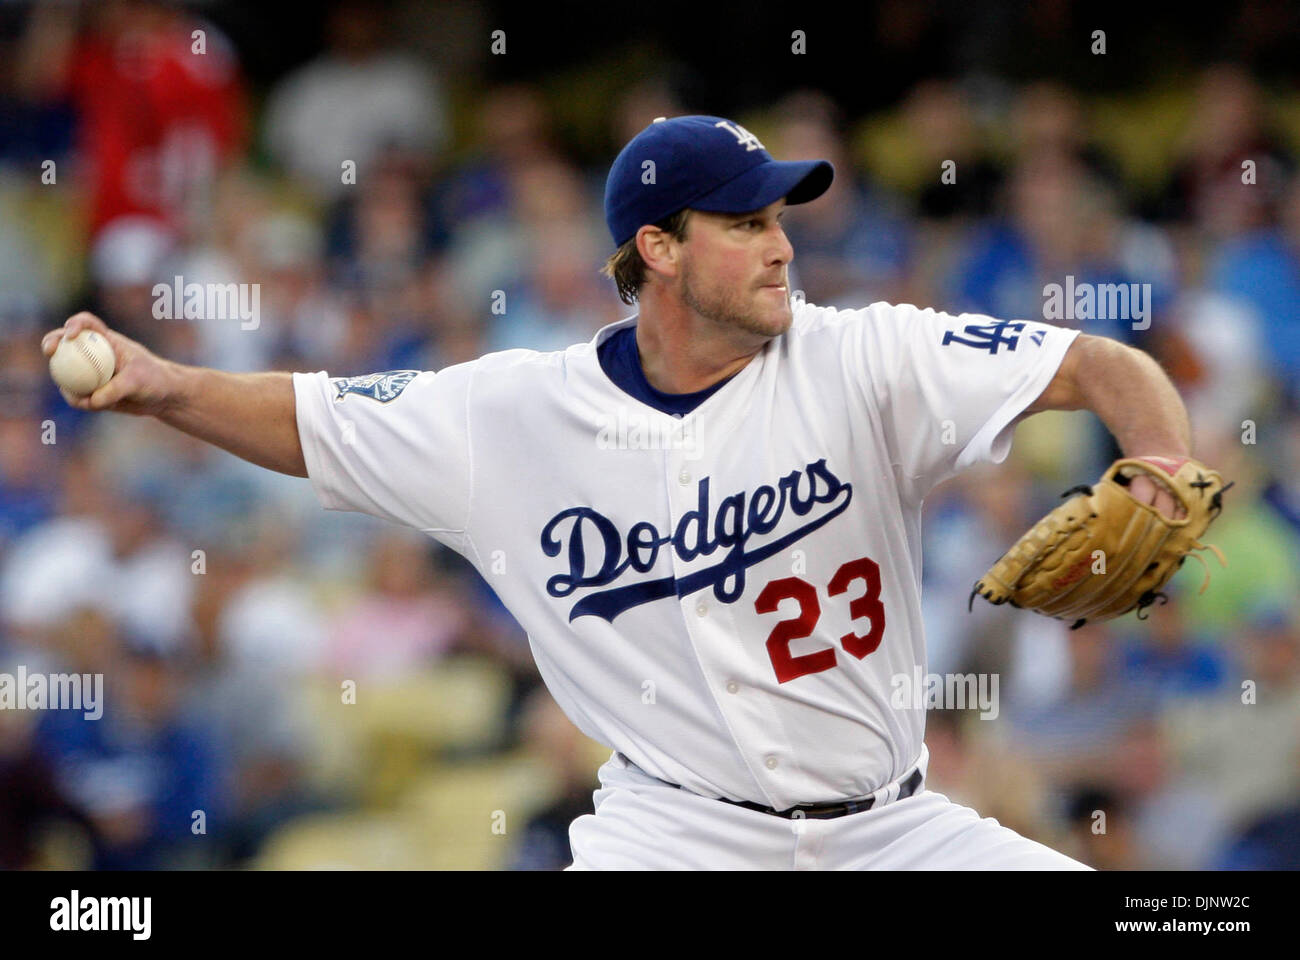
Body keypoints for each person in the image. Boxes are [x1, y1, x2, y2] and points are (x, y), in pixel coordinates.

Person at [42, 115, 1194, 870]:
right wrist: (160, 384)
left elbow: (1101, 364)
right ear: (658, 248)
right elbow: (310, 415)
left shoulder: (866, 356)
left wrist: (1158, 463)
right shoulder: (513, 415)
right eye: (745, 224)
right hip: (677, 835)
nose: (782, 246)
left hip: (894, 826)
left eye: (781, 218)